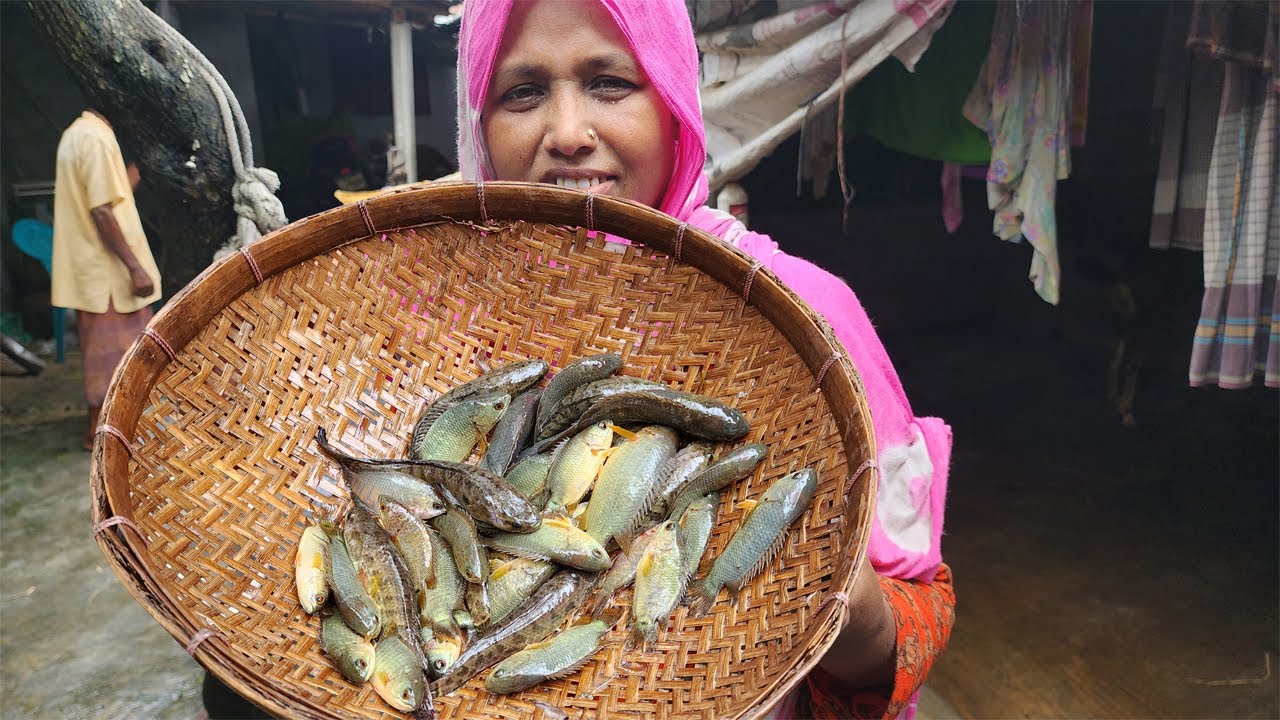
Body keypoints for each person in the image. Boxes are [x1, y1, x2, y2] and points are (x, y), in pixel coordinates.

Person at [456, 1, 955, 717]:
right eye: (522, 92)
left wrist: (840, 598)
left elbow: (914, 618)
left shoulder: (804, 316)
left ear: (673, 101)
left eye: (609, 82)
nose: (567, 134)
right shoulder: (439, 310)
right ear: (482, 120)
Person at [51, 110, 161, 450]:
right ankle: (103, 438)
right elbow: (101, 211)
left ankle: (106, 434)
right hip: (110, 277)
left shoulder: (76, 133)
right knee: (123, 360)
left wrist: (126, 183)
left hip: (95, 272)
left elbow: (98, 200)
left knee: (106, 358)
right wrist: (135, 267)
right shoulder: (98, 139)